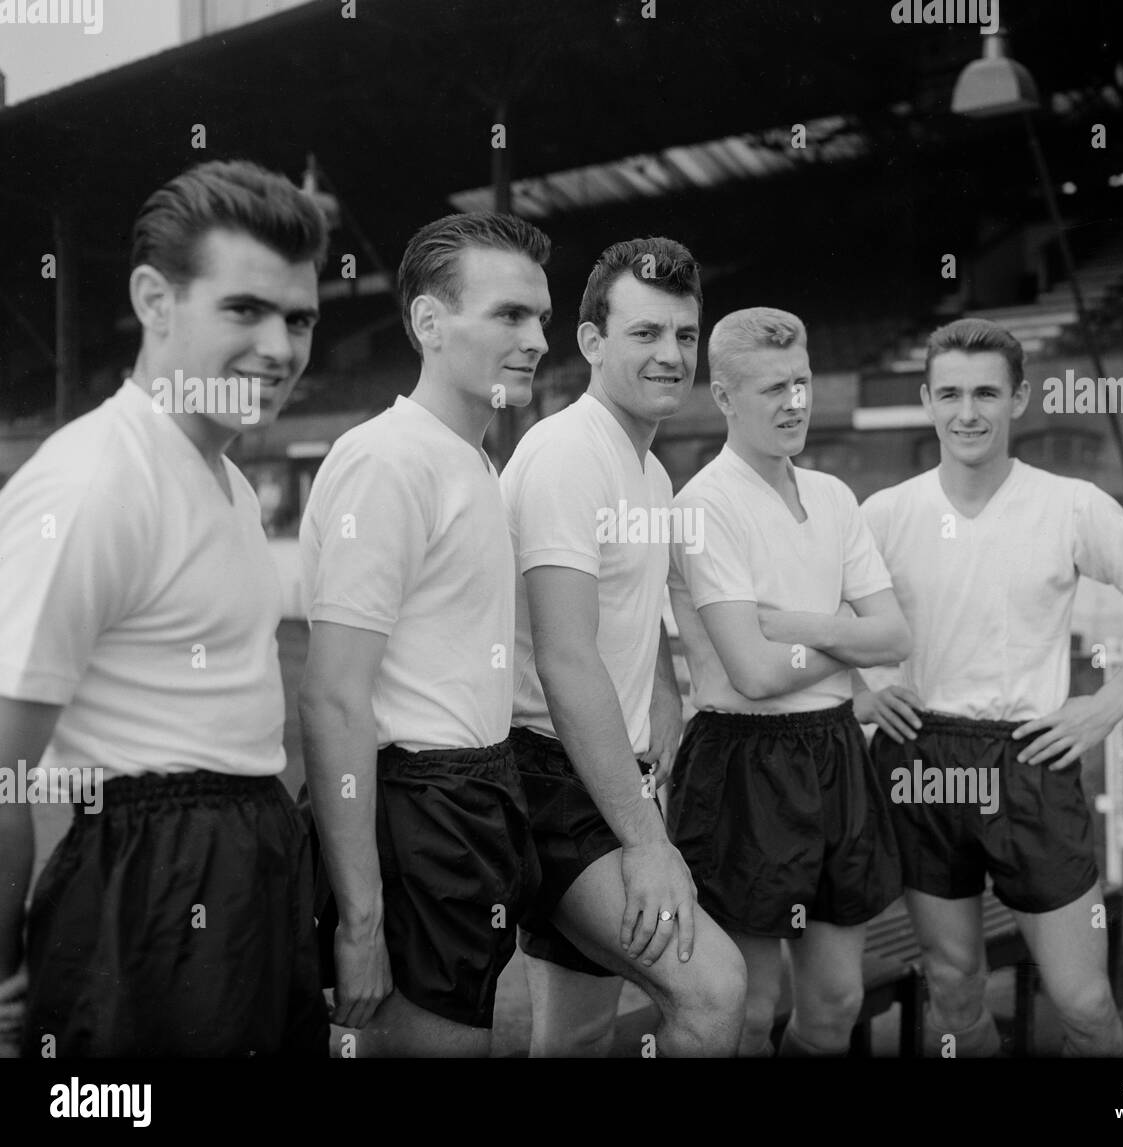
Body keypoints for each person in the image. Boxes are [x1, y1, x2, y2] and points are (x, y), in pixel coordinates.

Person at [0, 159, 329, 1057]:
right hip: (144, 891)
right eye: (244, 309)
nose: (280, 346)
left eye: (298, 318)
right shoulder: (94, 481)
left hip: (252, 863)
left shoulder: (224, 478)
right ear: (154, 299)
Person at [857, 316, 1123, 1056]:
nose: (967, 411)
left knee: (1084, 1003)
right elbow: (818, 620)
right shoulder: (884, 513)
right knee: (952, 983)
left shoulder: (1072, 504)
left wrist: (1108, 704)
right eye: (949, 393)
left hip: (1031, 762)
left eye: (986, 392)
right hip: (922, 759)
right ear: (926, 398)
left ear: (1018, 399)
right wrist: (861, 694)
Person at [297, 213, 551, 1056]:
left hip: (474, 796)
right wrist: (362, 921)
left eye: (542, 318)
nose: (538, 339)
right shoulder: (389, 460)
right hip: (415, 810)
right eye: (511, 315)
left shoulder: (471, 459)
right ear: (429, 323)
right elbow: (333, 697)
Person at [500, 238, 746, 1057]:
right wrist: (647, 841)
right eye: (645, 334)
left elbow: (633, 610)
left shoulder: (649, 472)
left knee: (575, 1036)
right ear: (592, 342)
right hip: (550, 772)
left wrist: (665, 693)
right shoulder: (570, 453)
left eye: (684, 334)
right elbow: (565, 657)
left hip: (606, 765)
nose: (671, 354)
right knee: (714, 987)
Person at [666, 307, 910, 1056]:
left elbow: (897, 634)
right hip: (745, 762)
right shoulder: (704, 505)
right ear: (725, 396)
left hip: (835, 751)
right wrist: (848, 629)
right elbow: (757, 673)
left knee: (835, 999)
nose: (795, 403)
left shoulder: (835, 495)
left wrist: (812, 625)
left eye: (801, 383)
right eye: (774, 387)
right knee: (747, 1007)